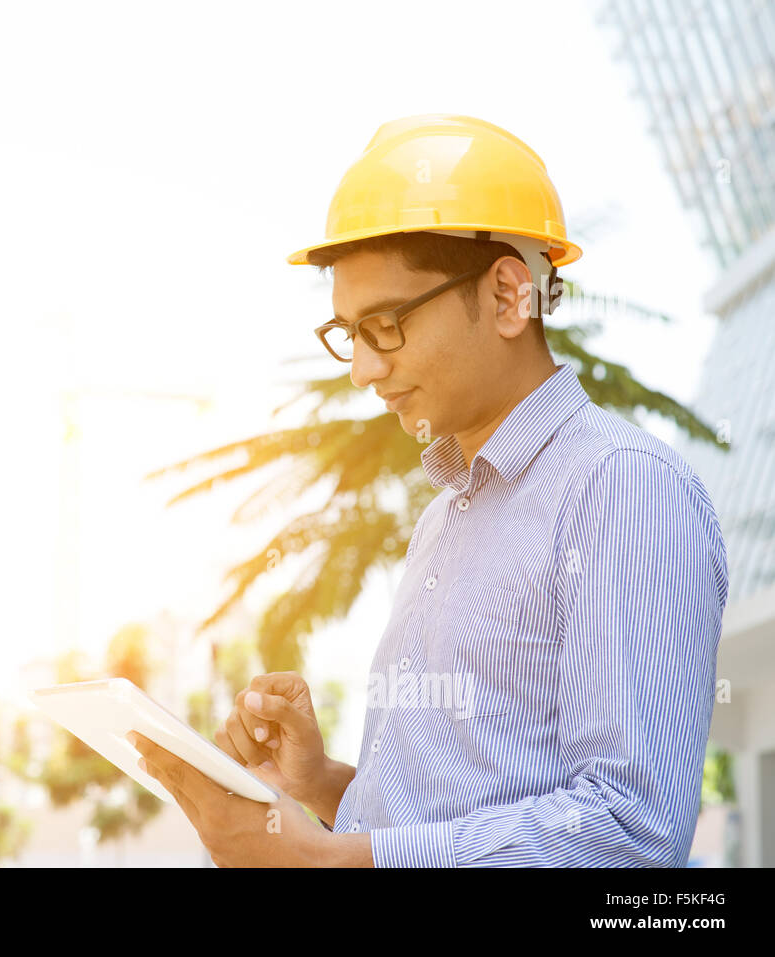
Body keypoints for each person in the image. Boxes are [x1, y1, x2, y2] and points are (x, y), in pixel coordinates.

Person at [129, 114, 729, 867]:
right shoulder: (445, 518)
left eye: (385, 324)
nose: (363, 369)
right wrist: (322, 785)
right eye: (349, 332)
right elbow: (455, 811)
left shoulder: (624, 490)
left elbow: (631, 832)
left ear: (512, 295)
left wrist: (327, 862)